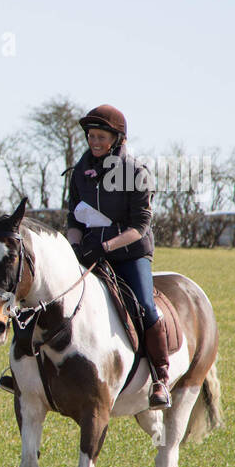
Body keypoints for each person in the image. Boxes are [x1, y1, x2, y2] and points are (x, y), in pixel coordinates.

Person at [65, 104, 171, 408]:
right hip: (88, 249)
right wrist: (74, 248)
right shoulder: (79, 173)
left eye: (101, 137)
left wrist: (107, 247)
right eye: (91, 136)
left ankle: (160, 377)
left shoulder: (136, 172)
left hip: (129, 253)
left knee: (145, 306)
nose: (94, 142)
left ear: (117, 139)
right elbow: (73, 219)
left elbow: (140, 226)